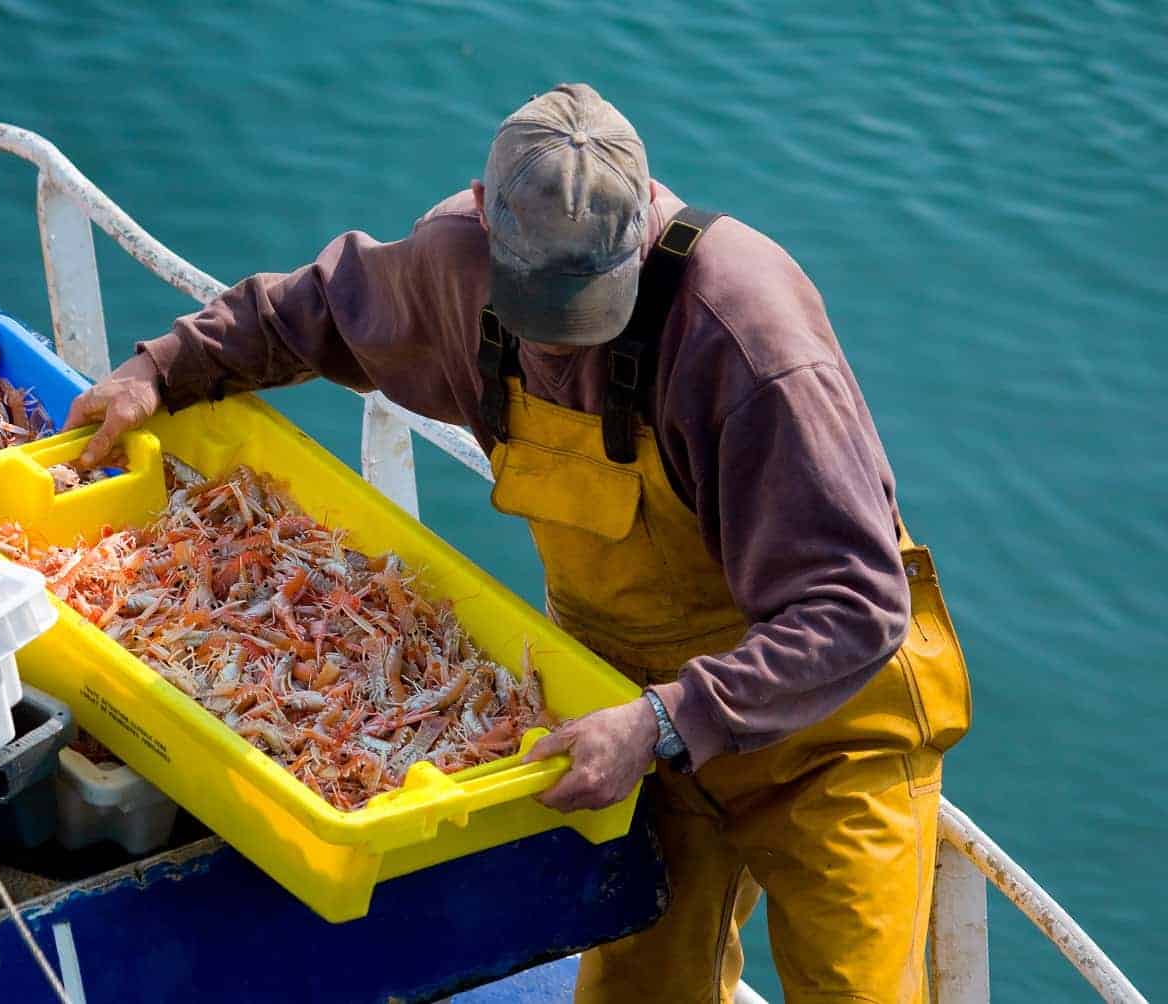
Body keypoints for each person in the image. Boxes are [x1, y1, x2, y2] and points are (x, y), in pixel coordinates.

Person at [65, 83, 972, 1003]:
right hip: (622, 713)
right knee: (633, 990)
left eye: (591, 311)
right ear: (488, 223)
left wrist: (665, 720)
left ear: (645, 233)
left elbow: (856, 609)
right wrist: (162, 370)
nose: (563, 347)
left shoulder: (749, 342)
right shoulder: (455, 266)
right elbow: (315, 311)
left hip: (826, 733)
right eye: (539, 311)